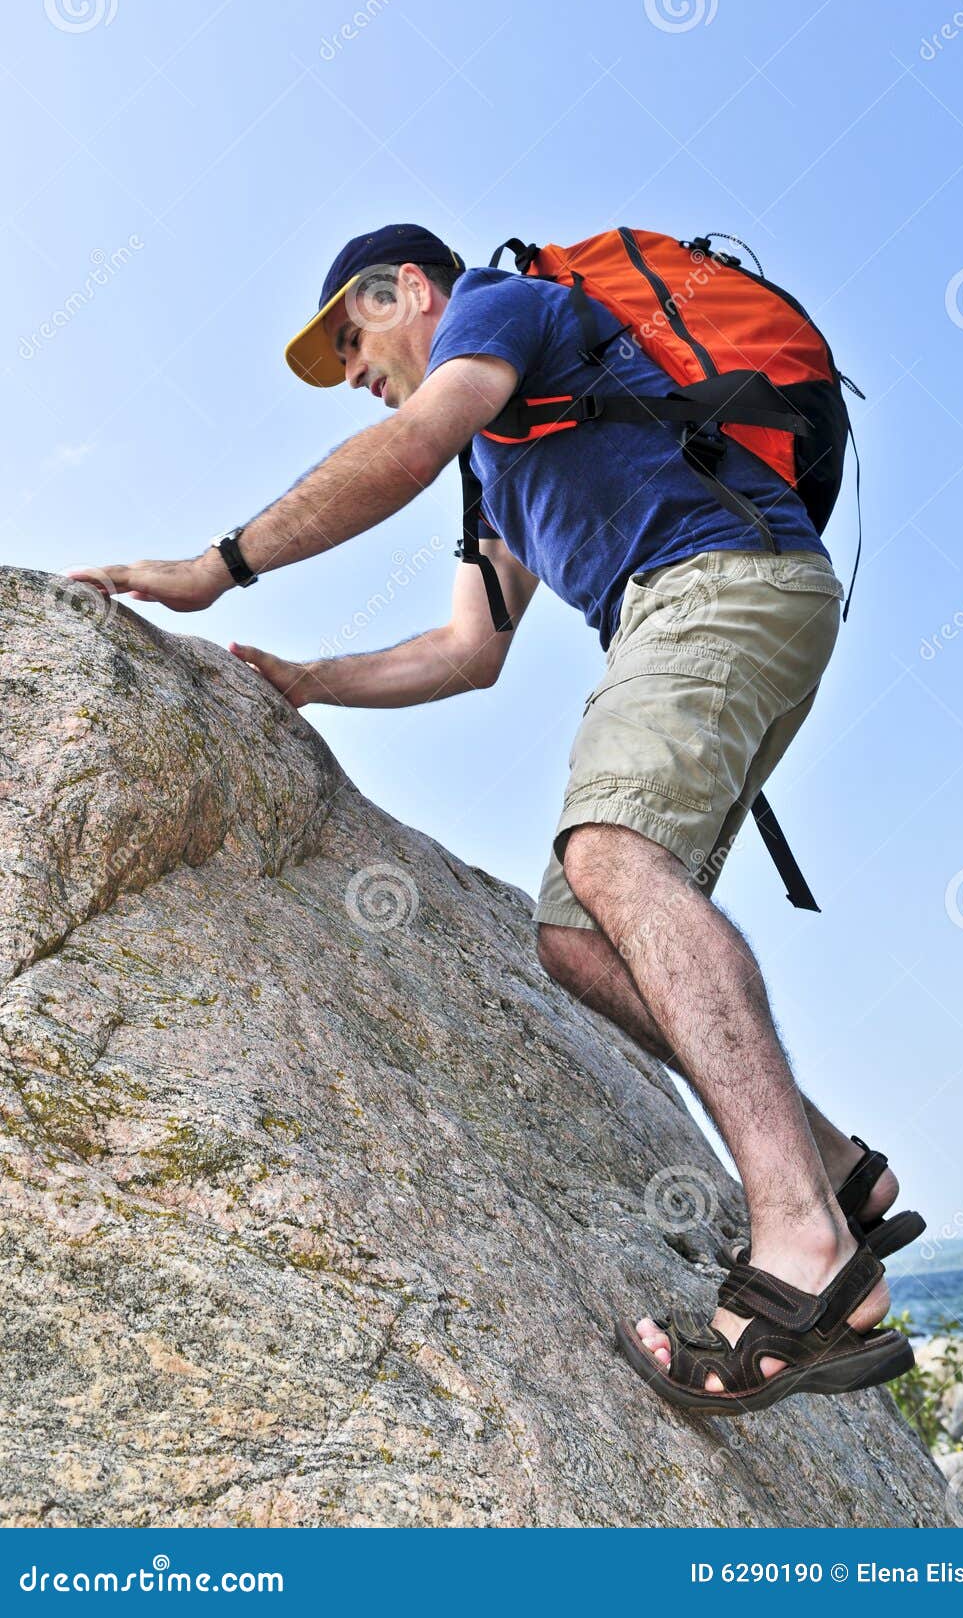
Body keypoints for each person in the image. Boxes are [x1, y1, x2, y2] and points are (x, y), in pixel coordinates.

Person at [68, 222, 918, 1413]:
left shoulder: (499, 309)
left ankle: (804, 1248)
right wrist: (310, 680)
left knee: (611, 856)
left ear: (410, 289)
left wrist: (217, 565)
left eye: (350, 337)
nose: (351, 373)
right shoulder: (501, 463)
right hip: (704, 604)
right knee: (576, 938)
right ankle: (836, 1171)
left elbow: (409, 444)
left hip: (717, 578)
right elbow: (469, 650)